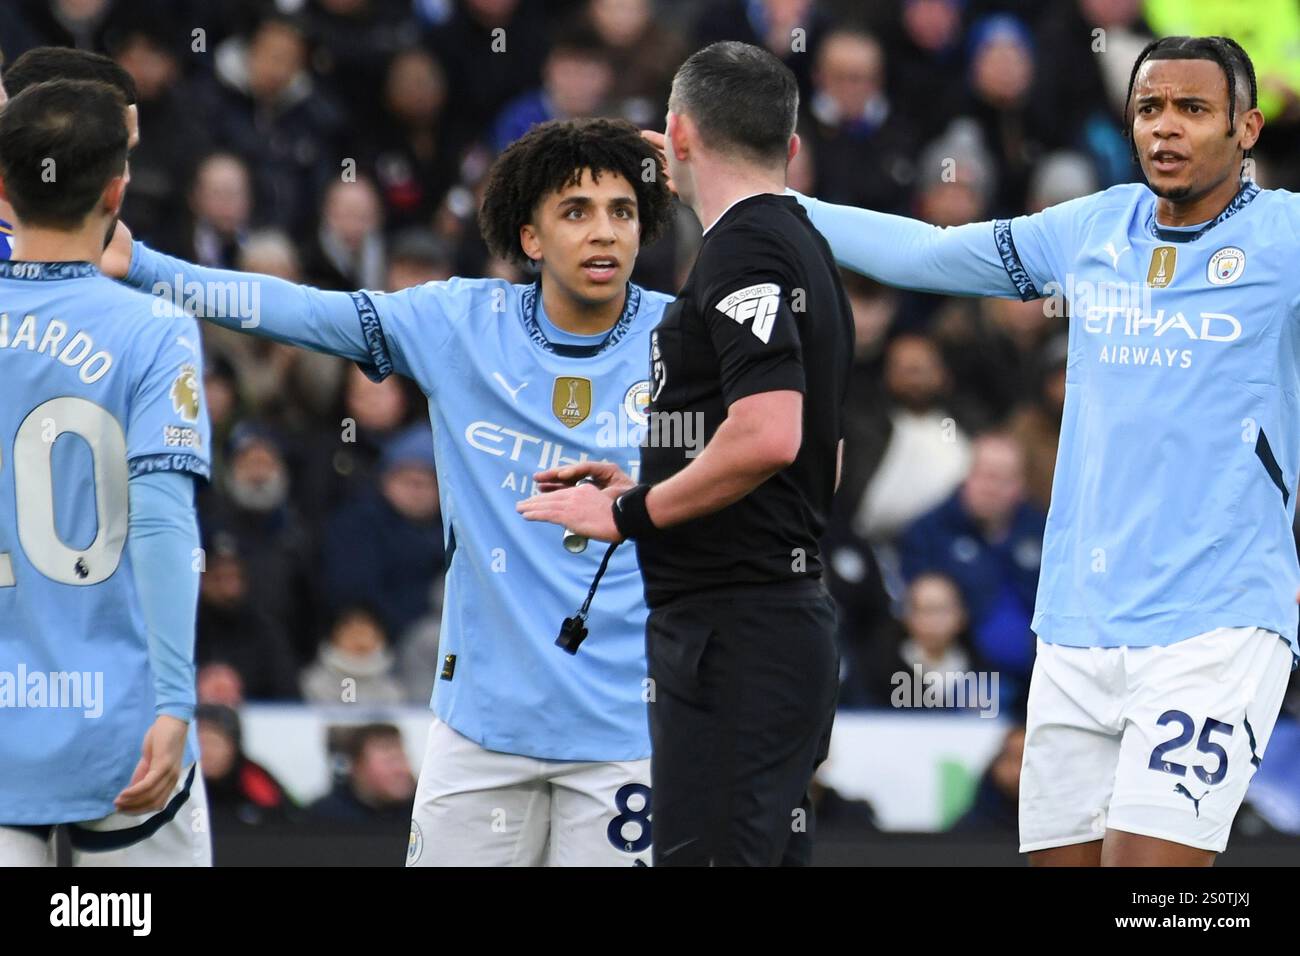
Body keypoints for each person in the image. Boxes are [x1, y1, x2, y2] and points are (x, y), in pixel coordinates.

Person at [103, 117, 675, 866]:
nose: (604, 232)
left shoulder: (687, 341)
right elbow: (304, 311)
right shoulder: (460, 322)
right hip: (480, 735)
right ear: (530, 238)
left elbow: (780, 460)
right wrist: (142, 264)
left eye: (622, 211)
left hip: (623, 740)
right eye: (576, 211)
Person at [789, 35, 1299, 866]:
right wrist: (767, 206)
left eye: (1193, 109)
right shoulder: (1095, 227)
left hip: (1216, 625)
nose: (1165, 128)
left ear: (1245, 130)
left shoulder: (1287, 240)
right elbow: (926, 252)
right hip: (1075, 627)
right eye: (1149, 108)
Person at [519, 41, 854, 866]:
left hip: (737, 635)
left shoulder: (743, 248)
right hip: (779, 622)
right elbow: (822, 459)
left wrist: (632, 511)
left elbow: (770, 434)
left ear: (676, 136)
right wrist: (666, 481)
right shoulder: (807, 247)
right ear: (793, 148)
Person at [0, 79, 211, 866]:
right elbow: (161, 524)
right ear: (117, 190)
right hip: (118, 719)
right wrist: (175, 698)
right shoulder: (153, 329)